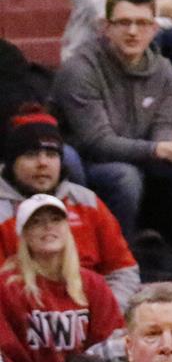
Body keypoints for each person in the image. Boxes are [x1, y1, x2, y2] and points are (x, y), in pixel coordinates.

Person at [50, 0, 172, 282]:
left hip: (142, 156)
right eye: (123, 23)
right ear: (105, 27)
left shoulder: (163, 69)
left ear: (155, 28)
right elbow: (98, 142)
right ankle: (116, 273)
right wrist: (161, 149)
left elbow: (163, 126)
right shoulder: (80, 69)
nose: (133, 31)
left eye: (142, 23)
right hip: (88, 162)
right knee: (125, 177)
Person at [0, 110, 138, 307]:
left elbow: (122, 270)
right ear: (12, 163)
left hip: (92, 316)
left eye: (51, 154)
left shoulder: (86, 201)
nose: (42, 163)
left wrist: (107, 312)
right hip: (24, 320)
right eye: (31, 155)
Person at [0, 197, 119, 362]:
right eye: (36, 222)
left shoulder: (93, 284)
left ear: (67, 228)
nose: (48, 226)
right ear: (23, 234)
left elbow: (108, 343)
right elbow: (11, 361)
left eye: (56, 219)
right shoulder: (7, 288)